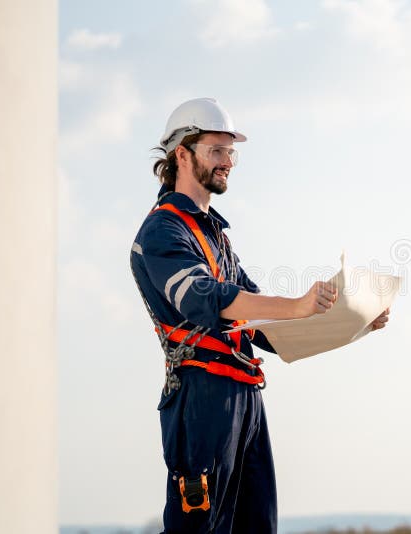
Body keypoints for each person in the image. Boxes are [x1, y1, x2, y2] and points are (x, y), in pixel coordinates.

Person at [131, 97, 389, 534]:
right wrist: (297, 305)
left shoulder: (216, 237)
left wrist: (351, 322)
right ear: (182, 154)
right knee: (199, 528)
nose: (228, 161)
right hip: (203, 397)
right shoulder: (162, 232)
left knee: (257, 526)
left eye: (231, 152)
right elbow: (207, 298)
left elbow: (262, 330)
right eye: (216, 150)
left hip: (244, 396)